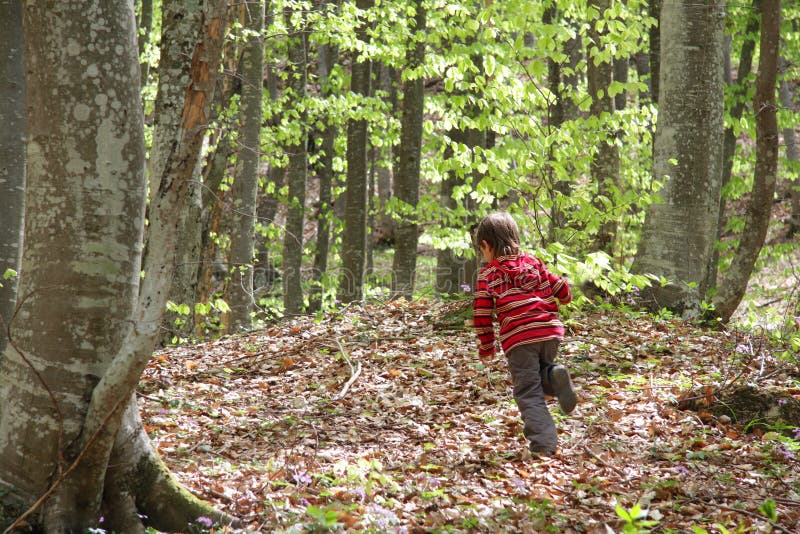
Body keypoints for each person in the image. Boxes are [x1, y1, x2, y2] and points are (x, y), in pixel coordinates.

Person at [472, 212, 577, 457]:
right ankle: (553, 375)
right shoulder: (534, 262)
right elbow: (561, 289)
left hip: (519, 340)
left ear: (486, 245)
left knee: (528, 392)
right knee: (539, 379)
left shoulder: (488, 275)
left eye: (482, 250)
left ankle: (543, 445)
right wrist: (565, 296)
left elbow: (482, 315)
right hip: (550, 332)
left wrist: (487, 347)